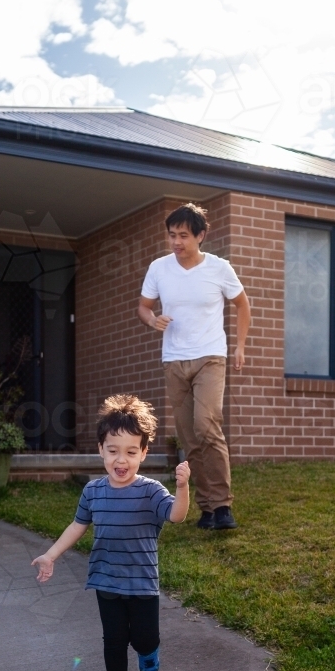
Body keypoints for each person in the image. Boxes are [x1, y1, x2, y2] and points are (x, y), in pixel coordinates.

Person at [31, 394, 191, 671]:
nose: (122, 460)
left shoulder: (151, 491)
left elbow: (176, 516)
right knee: (114, 641)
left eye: (131, 452)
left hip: (142, 583)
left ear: (143, 453)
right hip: (106, 580)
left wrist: (183, 486)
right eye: (113, 450)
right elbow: (78, 525)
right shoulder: (93, 491)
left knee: (143, 638)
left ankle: (148, 651)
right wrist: (51, 554)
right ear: (101, 449)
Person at [138, 203, 251, 530]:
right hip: (174, 359)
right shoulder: (159, 268)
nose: (176, 242)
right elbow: (144, 308)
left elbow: (242, 305)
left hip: (210, 357)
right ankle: (207, 507)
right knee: (189, 436)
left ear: (200, 235)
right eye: (172, 235)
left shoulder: (219, 268)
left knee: (206, 425)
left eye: (183, 236)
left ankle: (223, 505)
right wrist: (152, 319)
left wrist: (240, 346)